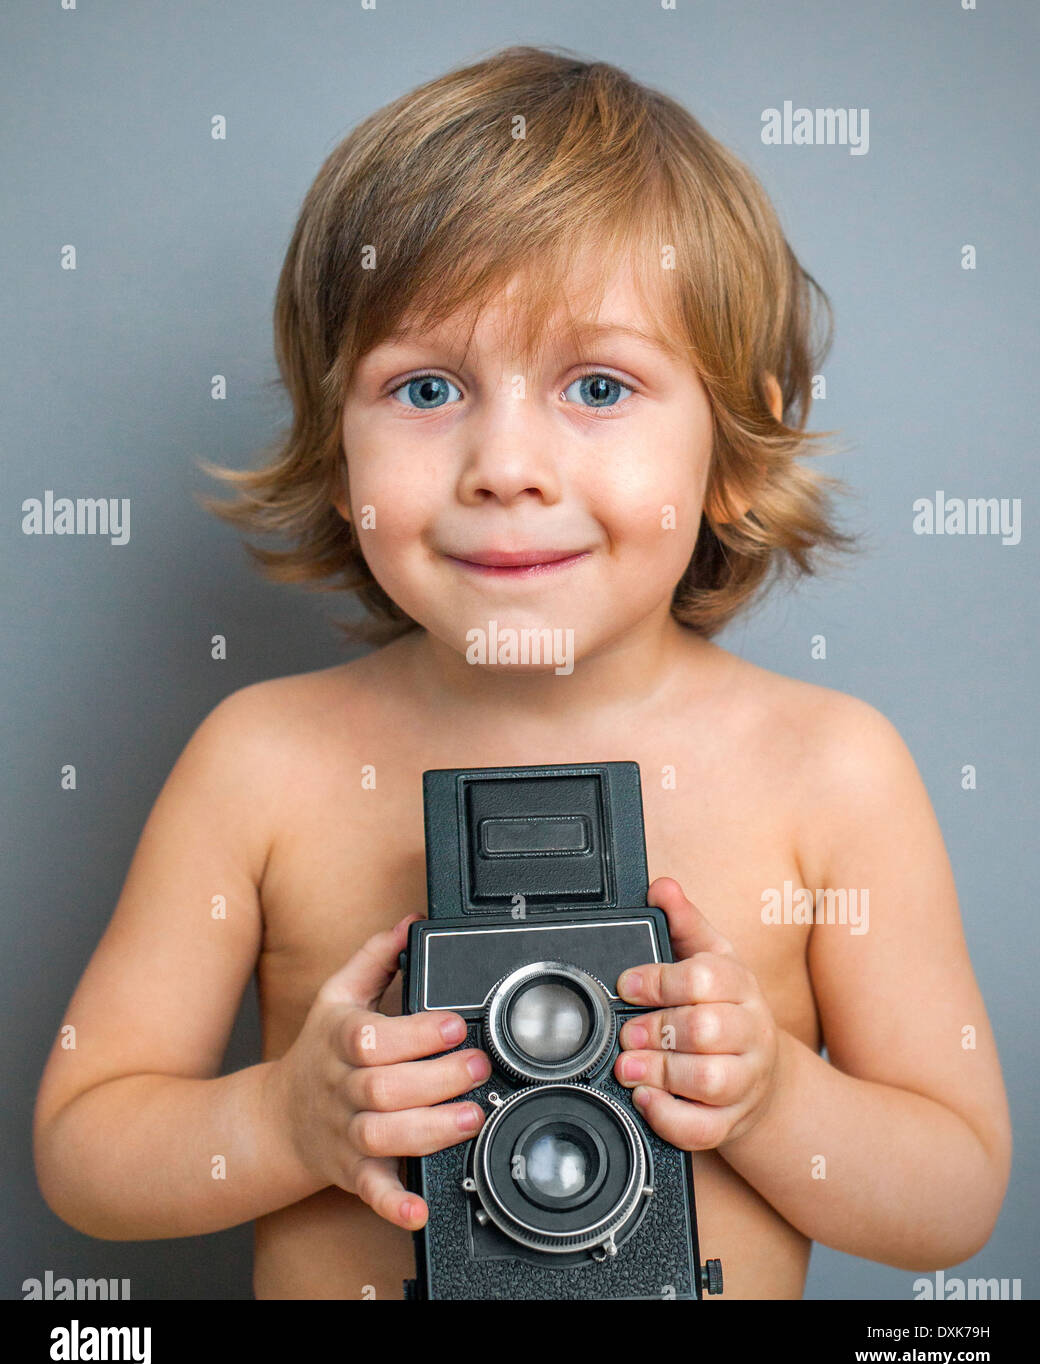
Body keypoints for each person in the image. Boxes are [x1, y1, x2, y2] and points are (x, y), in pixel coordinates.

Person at [32, 45, 1011, 1300]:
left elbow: (953, 1194)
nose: (506, 464)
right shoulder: (261, 759)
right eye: (425, 386)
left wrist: (773, 1095)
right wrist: (281, 1122)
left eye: (596, 385)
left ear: (733, 451)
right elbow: (82, 1147)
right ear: (337, 453)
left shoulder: (827, 769)